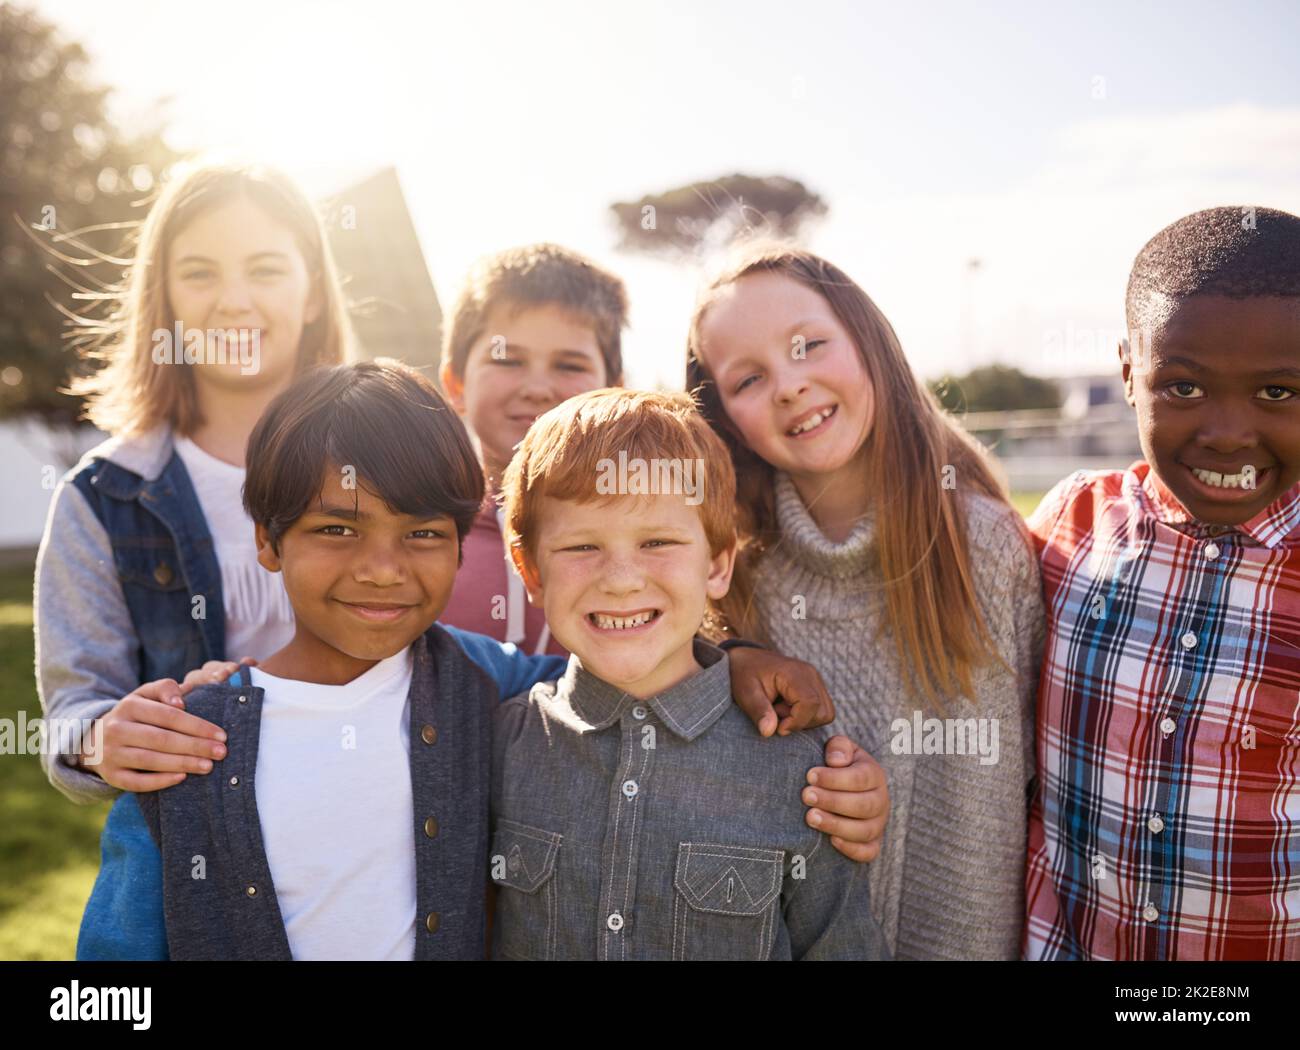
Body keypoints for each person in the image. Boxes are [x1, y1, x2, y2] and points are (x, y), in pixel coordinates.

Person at [686, 244, 1046, 959]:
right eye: (749, 378)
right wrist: (729, 654)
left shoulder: (987, 545)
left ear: (870, 342)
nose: (789, 384)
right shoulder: (733, 571)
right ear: (724, 418)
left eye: (809, 345)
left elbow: (1038, 784)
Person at [492, 387, 888, 959]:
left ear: (719, 564)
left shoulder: (802, 771)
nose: (622, 579)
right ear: (531, 573)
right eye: (582, 545)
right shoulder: (503, 747)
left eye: (657, 542)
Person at [1023, 206, 1300, 960]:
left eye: (1278, 393)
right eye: (1183, 388)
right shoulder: (1070, 524)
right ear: (1127, 374)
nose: (1228, 431)